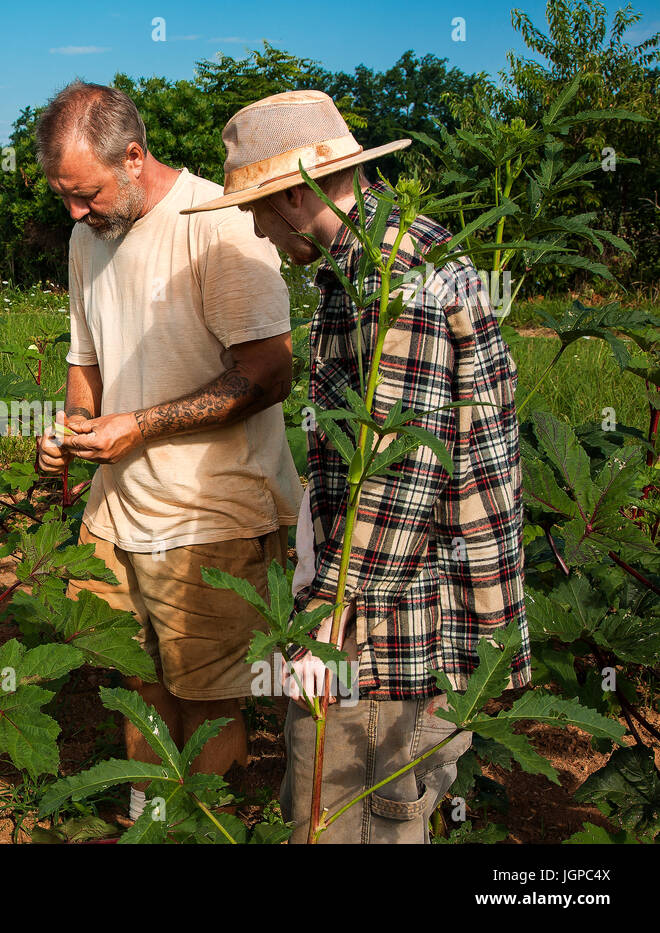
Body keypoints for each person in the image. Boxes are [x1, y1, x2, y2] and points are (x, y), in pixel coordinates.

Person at [183, 89, 529, 843]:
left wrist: (324, 624)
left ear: (297, 194)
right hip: (405, 619)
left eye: (256, 208)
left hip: (386, 639)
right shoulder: (401, 252)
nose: (252, 227)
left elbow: (401, 472)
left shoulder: (392, 279)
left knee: (344, 827)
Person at [32, 81, 302, 820]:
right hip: (116, 512)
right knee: (138, 683)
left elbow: (270, 372)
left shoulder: (219, 224)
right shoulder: (88, 237)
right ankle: (152, 821)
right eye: (64, 198)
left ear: (134, 155)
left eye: (85, 194)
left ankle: (207, 828)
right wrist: (71, 432)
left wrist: (140, 426)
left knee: (207, 700)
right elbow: (85, 361)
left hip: (210, 514)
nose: (76, 213)